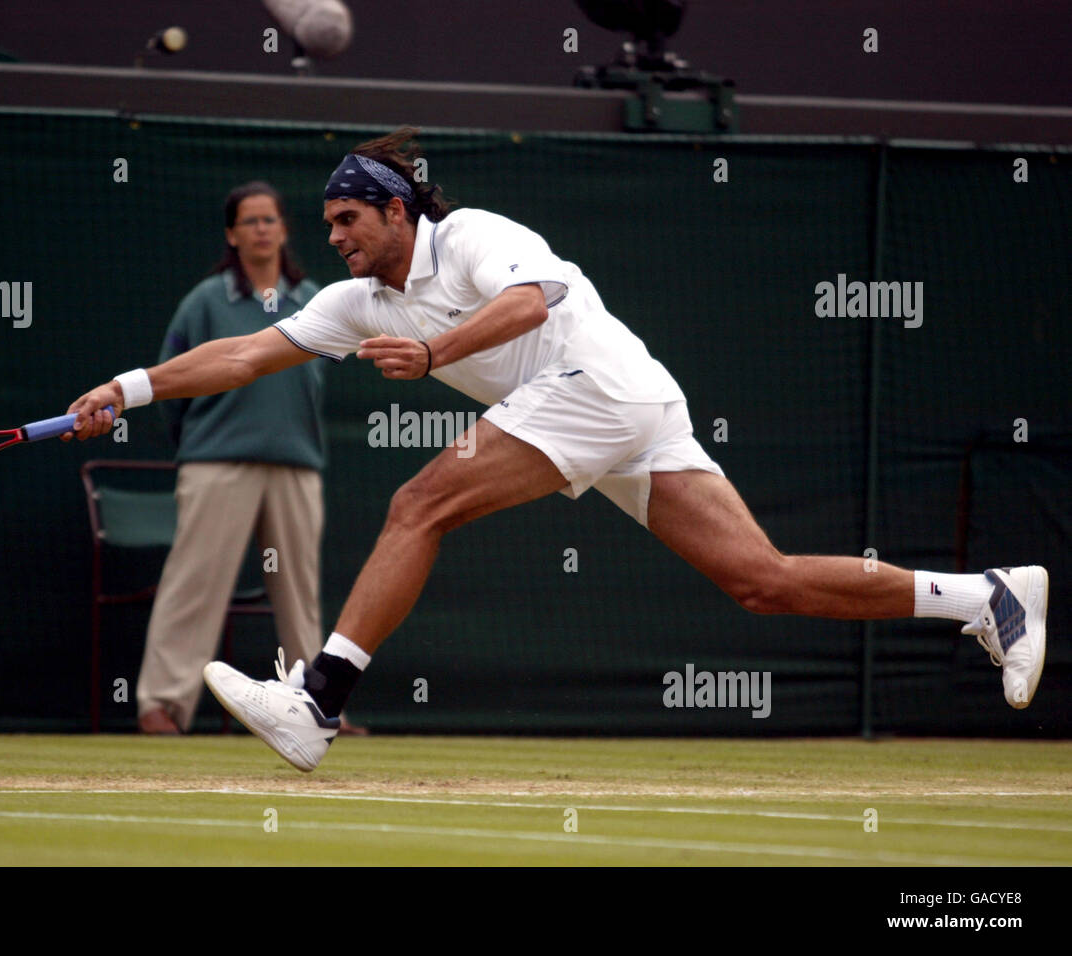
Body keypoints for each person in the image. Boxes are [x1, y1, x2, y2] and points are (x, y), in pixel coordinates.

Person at [67, 128, 1049, 770]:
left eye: (348, 219)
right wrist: (130, 385)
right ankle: (988, 594)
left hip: (599, 381)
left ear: (398, 209)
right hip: (626, 408)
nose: (335, 238)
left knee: (418, 504)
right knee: (764, 579)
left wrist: (438, 349)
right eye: (326, 224)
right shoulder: (351, 299)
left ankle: (316, 703)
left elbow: (533, 300)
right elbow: (245, 351)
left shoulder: (471, 236)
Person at [133, 181, 363, 736]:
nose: (261, 229)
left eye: (270, 220)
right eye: (249, 221)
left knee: (299, 596)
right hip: (217, 467)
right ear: (233, 234)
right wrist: (203, 446)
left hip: (296, 467)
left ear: (283, 230)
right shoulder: (205, 301)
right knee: (195, 584)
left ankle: (316, 710)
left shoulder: (316, 297)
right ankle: (162, 705)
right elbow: (173, 386)